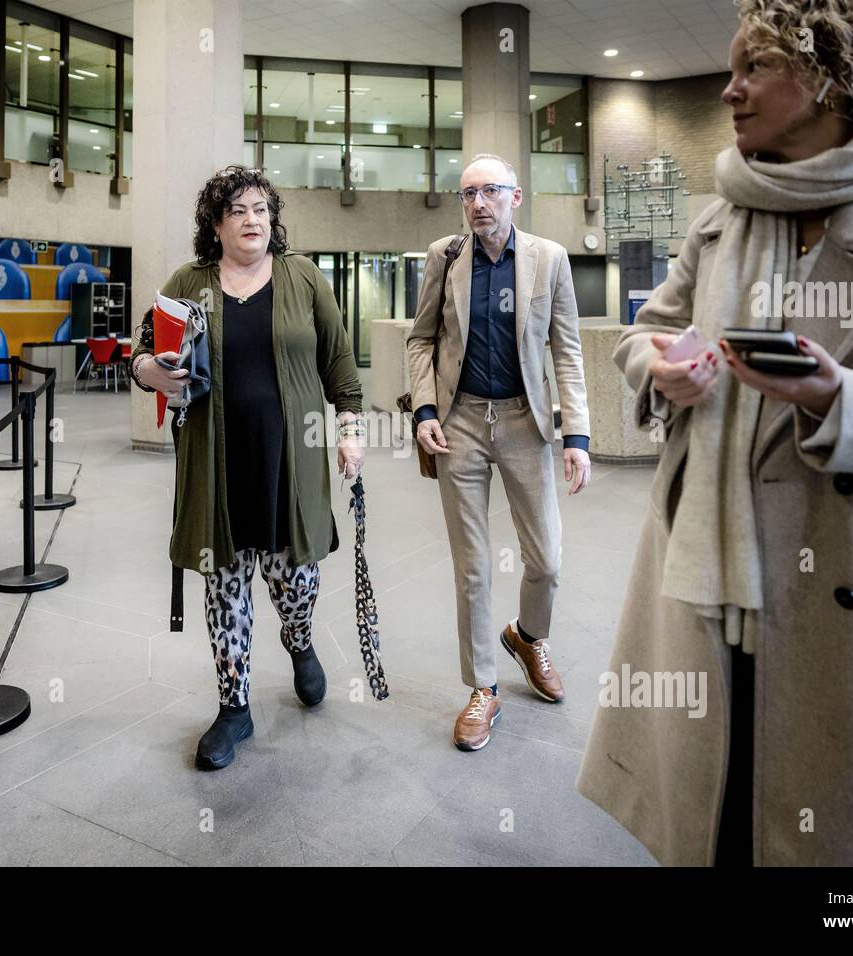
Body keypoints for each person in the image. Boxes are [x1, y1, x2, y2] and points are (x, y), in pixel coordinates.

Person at [576, 0, 853, 865]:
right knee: (725, 818)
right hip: (706, 593)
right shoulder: (719, 218)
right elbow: (644, 333)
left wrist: (838, 398)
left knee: (851, 846)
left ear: (829, 77)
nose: (729, 91)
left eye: (754, 68)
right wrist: (658, 369)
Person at [131, 165, 365, 770]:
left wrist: (350, 428)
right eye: (237, 211)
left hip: (292, 460)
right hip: (218, 466)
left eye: (260, 208)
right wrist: (149, 372)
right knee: (225, 587)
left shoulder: (303, 277)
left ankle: (300, 640)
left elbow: (338, 357)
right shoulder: (189, 281)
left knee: (297, 585)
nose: (251, 220)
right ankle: (234, 708)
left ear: (272, 218)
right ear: (217, 224)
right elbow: (142, 350)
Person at [407, 153, 592, 752]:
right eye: (467, 194)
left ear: (515, 197)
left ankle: (528, 635)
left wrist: (577, 437)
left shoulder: (549, 259)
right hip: (459, 423)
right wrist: (425, 411)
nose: (477, 204)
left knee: (548, 559)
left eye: (489, 192)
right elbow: (422, 339)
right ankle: (483, 687)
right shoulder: (446, 256)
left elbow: (567, 351)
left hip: (523, 422)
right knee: (474, 566)